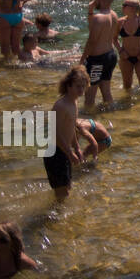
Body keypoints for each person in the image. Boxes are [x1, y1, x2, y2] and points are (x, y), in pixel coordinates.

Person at [43, 67, 85, 200]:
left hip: (64, 151)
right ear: (68, 86)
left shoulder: (74, 103)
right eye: (78, 86)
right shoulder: (60, 105)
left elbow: (71, 127)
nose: (81, 90)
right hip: (55, 152)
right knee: (63, 194)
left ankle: (58, 217)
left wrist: (77, 147)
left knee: (67, 188)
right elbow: (54, 132)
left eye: (83, 86)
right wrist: (69, 152)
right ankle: (53, 219)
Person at [81, 0, 120, 109]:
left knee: (90, 94)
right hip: (110, 56)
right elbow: (93, 26)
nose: (94, 1)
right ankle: (111, 113)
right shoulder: (113, 15)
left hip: (97, 60)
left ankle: (87, 118)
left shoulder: (99, 18)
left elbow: (92, 41)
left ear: (100, 1)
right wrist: (90, 10)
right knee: (106, 91)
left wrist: (82, 59)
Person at [114, 0, 140, 94]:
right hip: (126, 58)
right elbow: (114, 39)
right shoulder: (120, 22)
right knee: (127, 86)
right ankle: (127, 106)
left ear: (132, 8)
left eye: (124, 5)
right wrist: (120, 51)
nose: (122, 7)